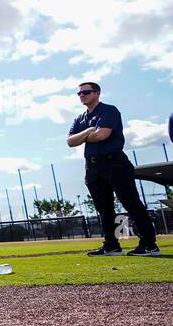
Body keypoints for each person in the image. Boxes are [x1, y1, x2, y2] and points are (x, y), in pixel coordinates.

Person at [66, 83, 160, 256]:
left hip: (114, 162)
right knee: (104, 208)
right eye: (79, 93)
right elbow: (71, 141)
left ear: (97, 93)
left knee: (131, 203)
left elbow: (102, 134)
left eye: (86, 92)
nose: (82, 95)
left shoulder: (109, 110)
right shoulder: (80, 118)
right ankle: (112, 245)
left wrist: (83, 137)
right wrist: (88, 131)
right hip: (92, 166)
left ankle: (149, 244)